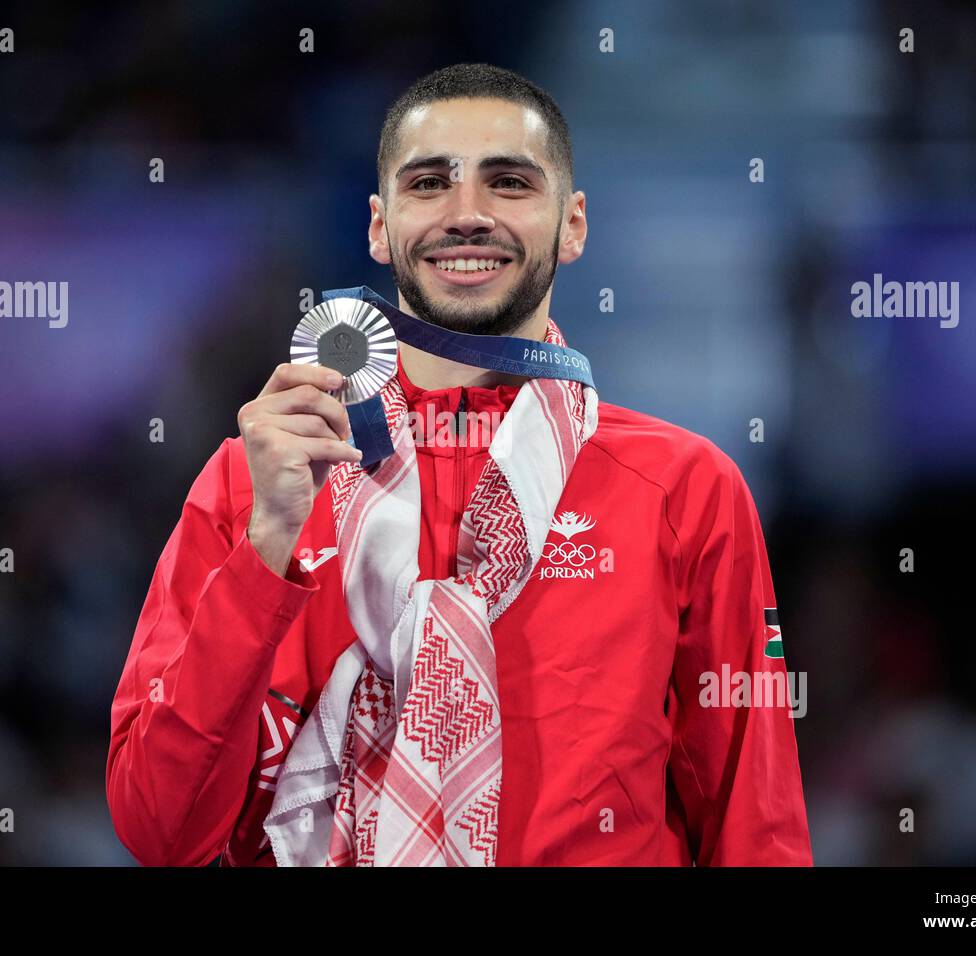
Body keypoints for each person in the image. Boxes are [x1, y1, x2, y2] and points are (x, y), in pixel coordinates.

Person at [106, 63, 812, 866]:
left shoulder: (685, 488)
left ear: (572, 225)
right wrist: (267, 543)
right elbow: (160, 829)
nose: (467, 214)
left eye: (509, 183)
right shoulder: (258, 483)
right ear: (379, 226)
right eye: (429, 183)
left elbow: (756, 828)